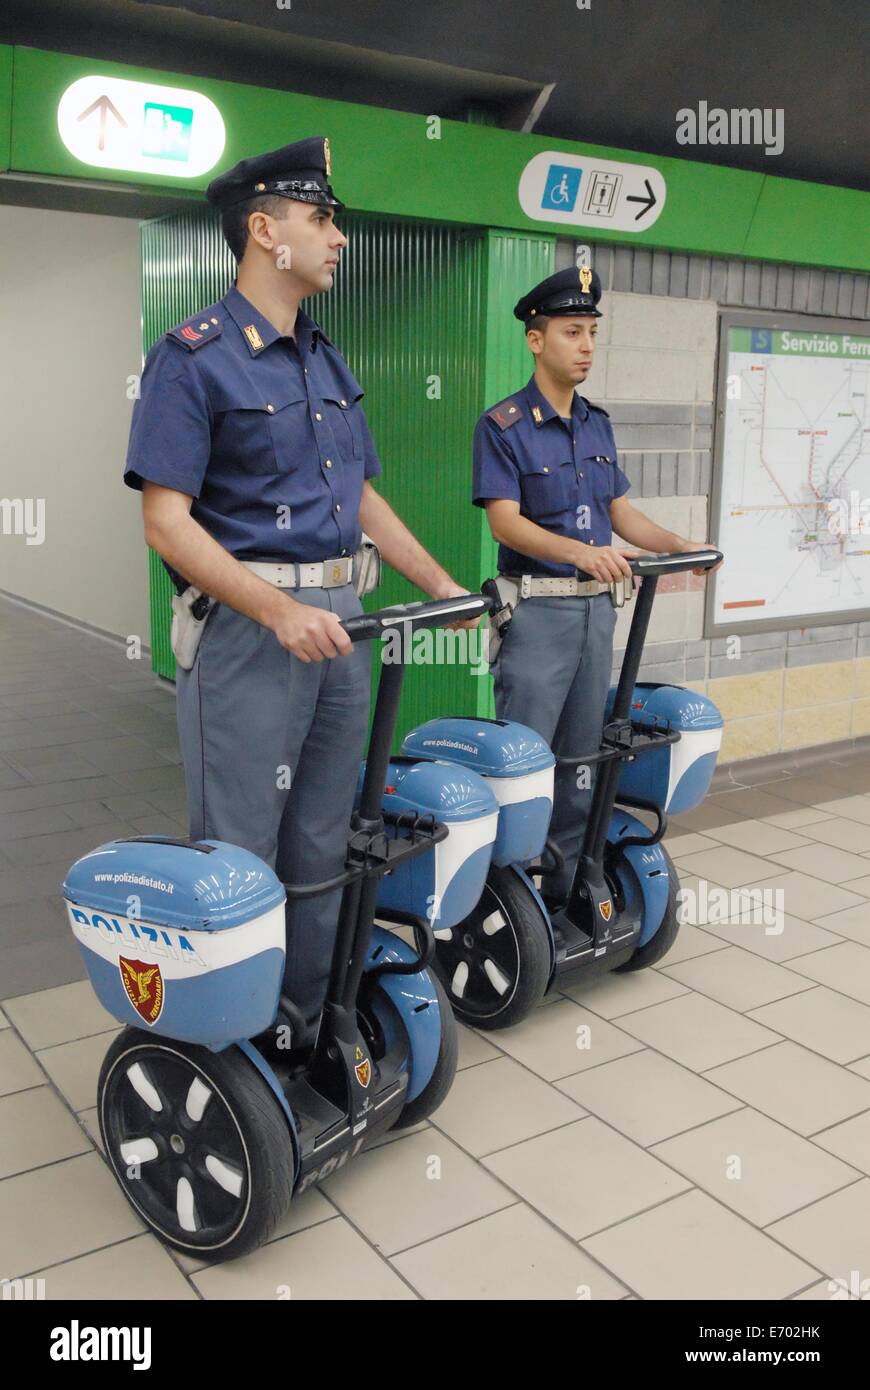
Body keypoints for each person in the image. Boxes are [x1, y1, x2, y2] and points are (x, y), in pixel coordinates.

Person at [124, 137, 475, 1045]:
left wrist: (441, 584)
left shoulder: (326, 361)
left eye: (336, 221)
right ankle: (230, 1043)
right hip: (251, 632)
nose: (339, 238)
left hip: (342, 627)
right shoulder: (192, 357)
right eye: (321, 219)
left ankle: (300, 1023)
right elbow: (167, 521)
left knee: (323, 841)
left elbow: (358, 498)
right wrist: (276, 609)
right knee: (243, 849)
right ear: (263, 229)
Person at [472, 265, 716, 908]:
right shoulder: (502, 427)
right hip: (538, 616)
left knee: (581, 761)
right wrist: (584, 553)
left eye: (592, 334)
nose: (585, 346)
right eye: (572, 331)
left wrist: (679, 545)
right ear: (536, 339)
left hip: (594, 617)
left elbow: (621, 514)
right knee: (525, 761)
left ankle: (568, 883)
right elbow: (507, 522)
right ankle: (508, 892)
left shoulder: (597, 423)